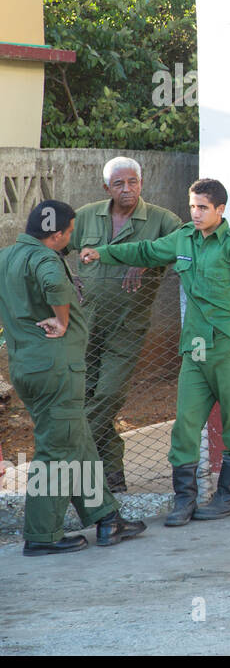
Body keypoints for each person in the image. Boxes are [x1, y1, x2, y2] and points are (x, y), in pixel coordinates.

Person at [82, 178, 230, 525]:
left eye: (202, 208)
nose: (195, 213)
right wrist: (103, 252)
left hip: (228, 347)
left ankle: (228, 496)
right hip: (194, 350)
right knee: (185, 424)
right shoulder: (182, 239)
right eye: (192, 206)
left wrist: (222, 320)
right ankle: (184, 500)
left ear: (220, 210)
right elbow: (147, 251)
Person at [0, 201, 145, 555]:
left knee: (76, 443)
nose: (71, 237)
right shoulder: (47, 259)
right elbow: (54, 286)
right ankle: (41, 536)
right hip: (57, 369)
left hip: (25, 366)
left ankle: (108, 518)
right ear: (58, 234)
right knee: (56, 450)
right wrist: (62, 321)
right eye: (70, 231)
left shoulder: (6, 257)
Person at [71, 157, 184, 493]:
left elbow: (185, 243)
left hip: (127, 326)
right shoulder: (88, 215)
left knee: (107, 395)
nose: (127, 189)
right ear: (107, 188)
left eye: (133, 182)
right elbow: (55, 243)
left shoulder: (162, 220)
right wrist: (68, 277)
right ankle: (113, 476)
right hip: (86, 324)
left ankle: (75, 451)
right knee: (86, 394)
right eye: (119, 184)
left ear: (142, 182)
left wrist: (147, 259)